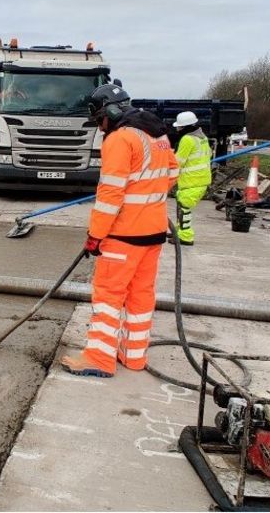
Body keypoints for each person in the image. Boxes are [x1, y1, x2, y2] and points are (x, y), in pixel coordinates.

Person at [60, 84, 178, 378]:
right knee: (141, 296)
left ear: (110, 113)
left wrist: (95, 236)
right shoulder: (157, 135)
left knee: (108, 297)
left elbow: (110, 195)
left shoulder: (119, 140)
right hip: (153, 234)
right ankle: (134, 356)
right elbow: (172, 174)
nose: (100, 128)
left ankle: (99, 359)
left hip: (123, 236)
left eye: (99, 121)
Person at [172, 111, 212, 245]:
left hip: (191, 181)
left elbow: (178, 161)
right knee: (182, 206)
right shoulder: (202, 137)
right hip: (200, 179)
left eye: (179, 127)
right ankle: (179, 231)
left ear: (185, 127)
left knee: (184, 208)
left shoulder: (187, 139)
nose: (177, 129)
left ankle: (186, 236)